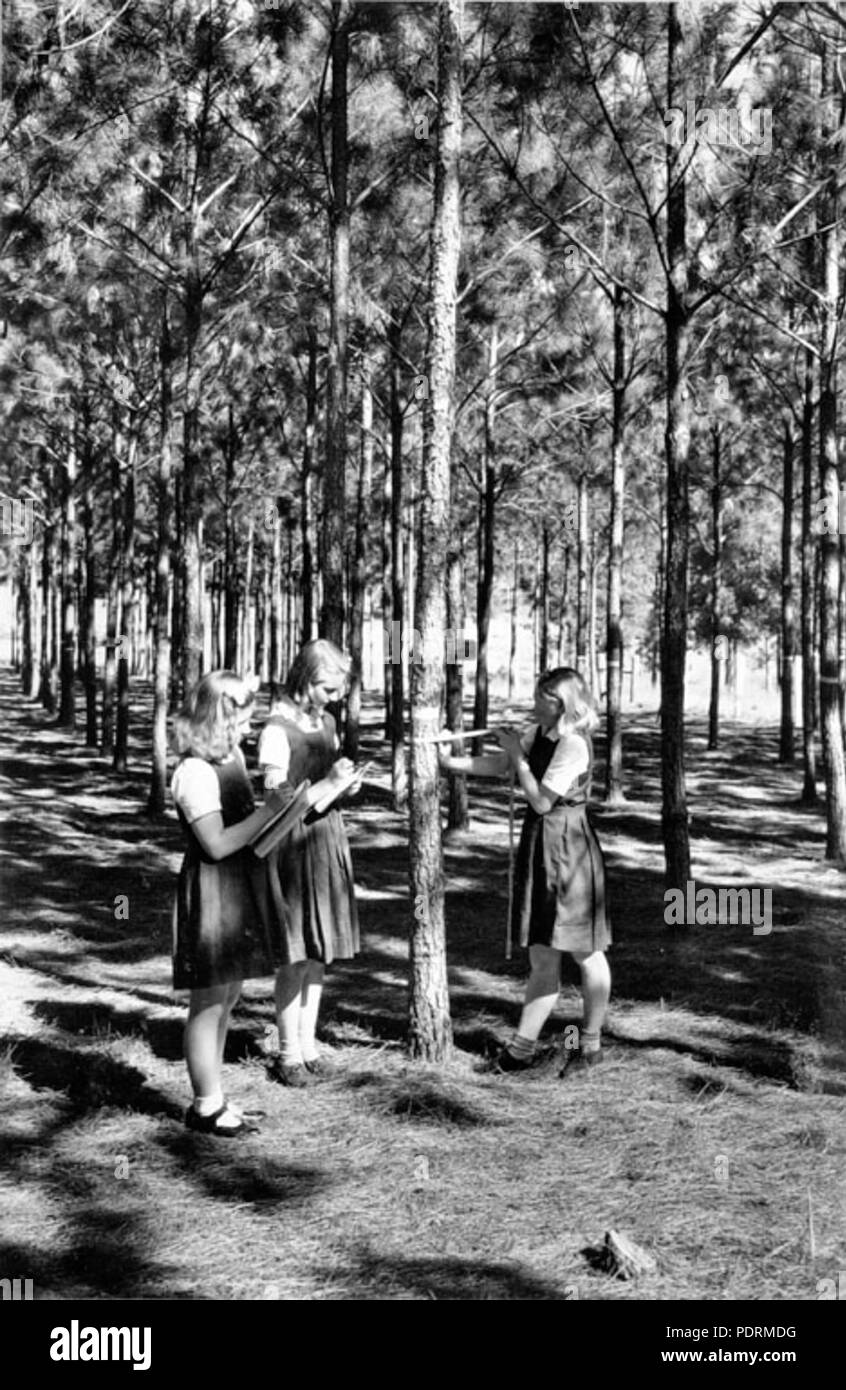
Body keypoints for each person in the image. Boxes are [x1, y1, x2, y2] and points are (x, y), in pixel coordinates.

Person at [439, 667, 611, 1077]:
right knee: (541, 950)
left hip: (568, 846)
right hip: (541, 846)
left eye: (543, 698)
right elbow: (500, 765)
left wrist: (517, 754)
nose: (535, 704)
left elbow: (540, 801)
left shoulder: (573, 745)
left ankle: (589, 1044)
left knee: (585, 950)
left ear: (563, 704)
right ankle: (521, 1050)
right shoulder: (541, 732)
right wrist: (449, 761)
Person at [171, 669, 283, 1137]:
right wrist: (267, 814)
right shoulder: (193, 771)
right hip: (213, 889)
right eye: (240, 722)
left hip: (237, 886)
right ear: (217, 720)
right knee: (209, 1000)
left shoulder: (231, 756)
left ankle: (216, 1096)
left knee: (229, 994)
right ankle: (204, 1105)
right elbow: (215, 844)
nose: (248, 731)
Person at [258, 639, 362, 1087]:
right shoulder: (276, 730)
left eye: (338, 691)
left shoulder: (328, 721)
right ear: (303, 680)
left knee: (320, 952)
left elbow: (329, 779)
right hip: (293, 844)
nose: (333, 699)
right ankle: (286, 1054)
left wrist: (345, 785)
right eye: (326, 689)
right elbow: (277, 804)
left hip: (327, 838)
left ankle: (308, 1045)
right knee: (295, 954)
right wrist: (329, 786)